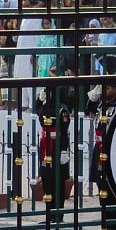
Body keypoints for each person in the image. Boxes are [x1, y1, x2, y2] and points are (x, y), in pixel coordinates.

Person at [88, 82, 116, 230]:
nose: (105, 90)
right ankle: (105, 224)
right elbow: (88, 112)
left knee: (113, 188)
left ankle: (115, 226)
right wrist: (93, 96)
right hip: (99, 147)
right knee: (101, 186)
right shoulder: (102, 104)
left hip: (112, 148)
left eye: (108, 87)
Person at [36, 86, 72, 223]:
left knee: (58, 182)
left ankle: (58, 213)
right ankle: (49, 213)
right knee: (47, 180)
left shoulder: (62, 109)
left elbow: (63, 131)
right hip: (46, 147)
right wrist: (39, 101)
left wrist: (63, 150)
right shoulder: (46, 107)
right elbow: (38, 113)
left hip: (57, 147)